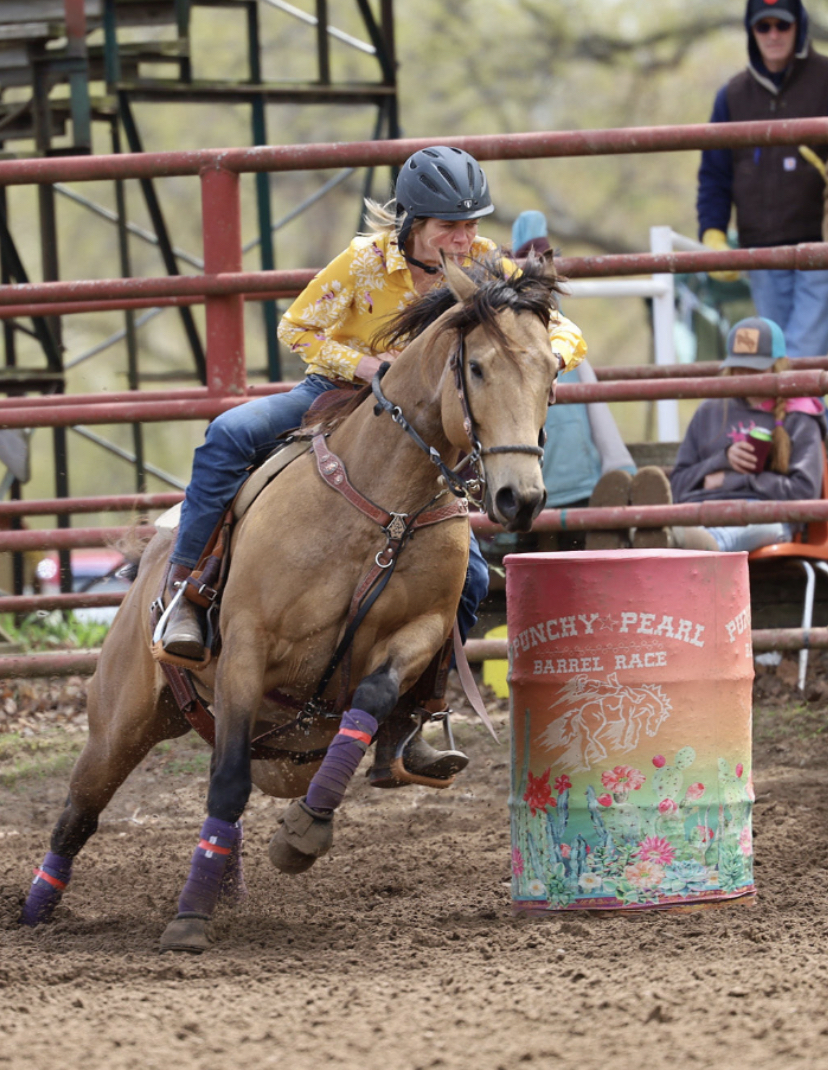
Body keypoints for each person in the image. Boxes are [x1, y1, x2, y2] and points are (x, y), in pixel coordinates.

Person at [161, 147, 587, 783]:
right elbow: (298, 329)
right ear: (413, 223)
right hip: (337, 398)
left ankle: (415, 715)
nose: (464, 238)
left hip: (418, 430)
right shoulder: (363, 263)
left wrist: (539, 352)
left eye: (471, 224)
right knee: (228, 433)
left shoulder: (486, 267)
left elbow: (565, 331)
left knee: (467, 574)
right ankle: (187, 593)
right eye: (451, 226)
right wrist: (365, 366)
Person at [696, 0, 828, 358]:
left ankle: (801, 415)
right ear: (751, 31)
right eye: (763, 26)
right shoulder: (733, 96)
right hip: (763, 253)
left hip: (819, 250)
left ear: (799, 27)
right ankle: (801, 416)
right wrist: (714, 233)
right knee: (778, 357)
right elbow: (714, 173)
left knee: (803, 357)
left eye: (782, 25)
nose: (773, 35)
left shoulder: (824, 79)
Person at [629, 316, 826, 552]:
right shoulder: (710, 409)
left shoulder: (800, 416)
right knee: (691, 526)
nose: (745, 375)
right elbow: (678, 486)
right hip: (702, 508)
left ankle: (672, 541)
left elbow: (804, 494)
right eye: (739, 366)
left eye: (756, 368)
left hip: (766, 514)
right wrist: (722, 460)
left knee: (727, 533)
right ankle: (647, 536)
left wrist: (730, 479)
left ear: (778, 365)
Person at [510, 211, 637, 551]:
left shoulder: (563, 339)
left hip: (574, 482)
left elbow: (594, 408)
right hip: (539, 481)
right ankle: (619, 505)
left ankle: (618, 500)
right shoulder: (539, 339)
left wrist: (618, 465)